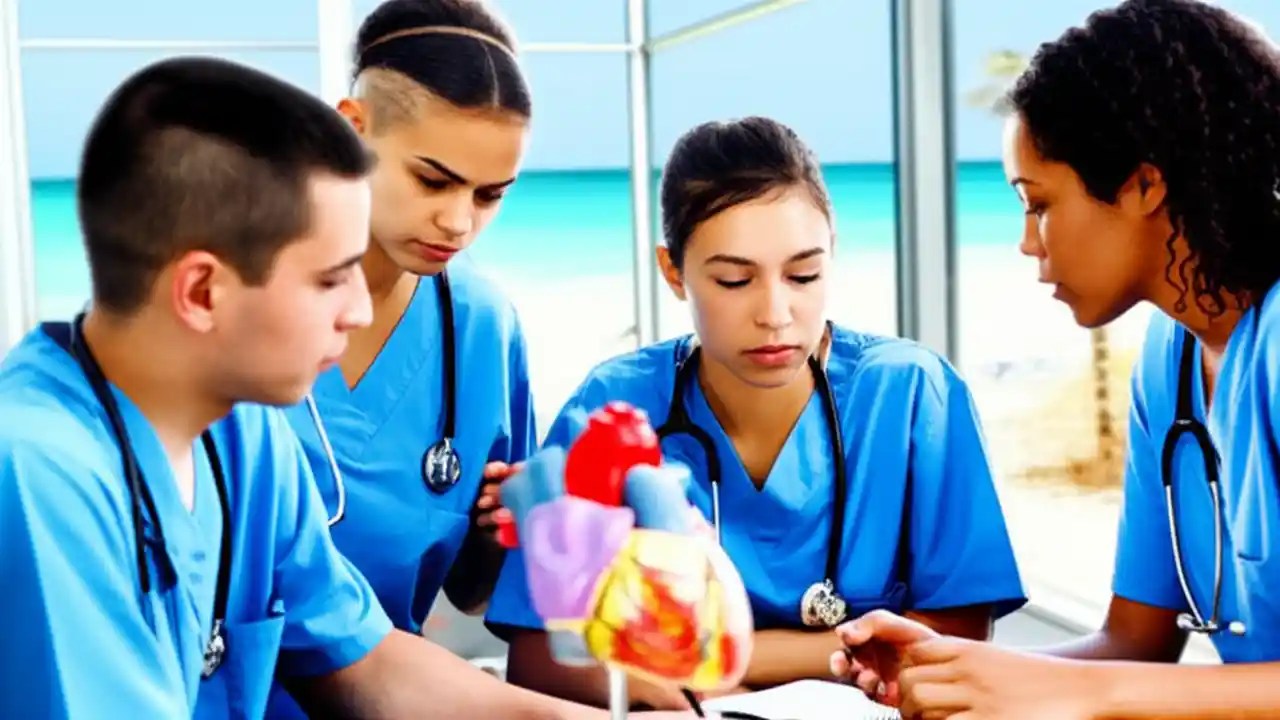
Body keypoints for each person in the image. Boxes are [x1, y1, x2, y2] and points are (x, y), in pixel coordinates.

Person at [0, 55, 692, 720]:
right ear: (203, 291)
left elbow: (368, 666)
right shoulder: (36, 475)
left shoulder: (245, 437)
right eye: (331, 278)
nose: (360, 312)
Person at [484, 115, 1028, 710]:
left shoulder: (912, 393)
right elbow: (541, 655)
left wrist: (705, 661)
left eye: (804, 274)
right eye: (734, 279)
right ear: (673, 272)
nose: (775, 312)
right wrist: (814, 659)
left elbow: (955, 639)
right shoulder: (615, 405)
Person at [833, 1, 1280, 718]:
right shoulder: (1169, 368)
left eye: (1037, 203)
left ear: (1142, 184)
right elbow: (1133, 644)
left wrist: (1078, 694)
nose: (1027, 242)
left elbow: (1109, 686)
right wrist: (951, 668)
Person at [280, 0, 533, 638]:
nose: (459, 223)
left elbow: (472, 594)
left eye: (489, 195)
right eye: (432, 180)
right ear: (351, 129)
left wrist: (512, 525)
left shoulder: (482, 328)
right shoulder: (231, 302)